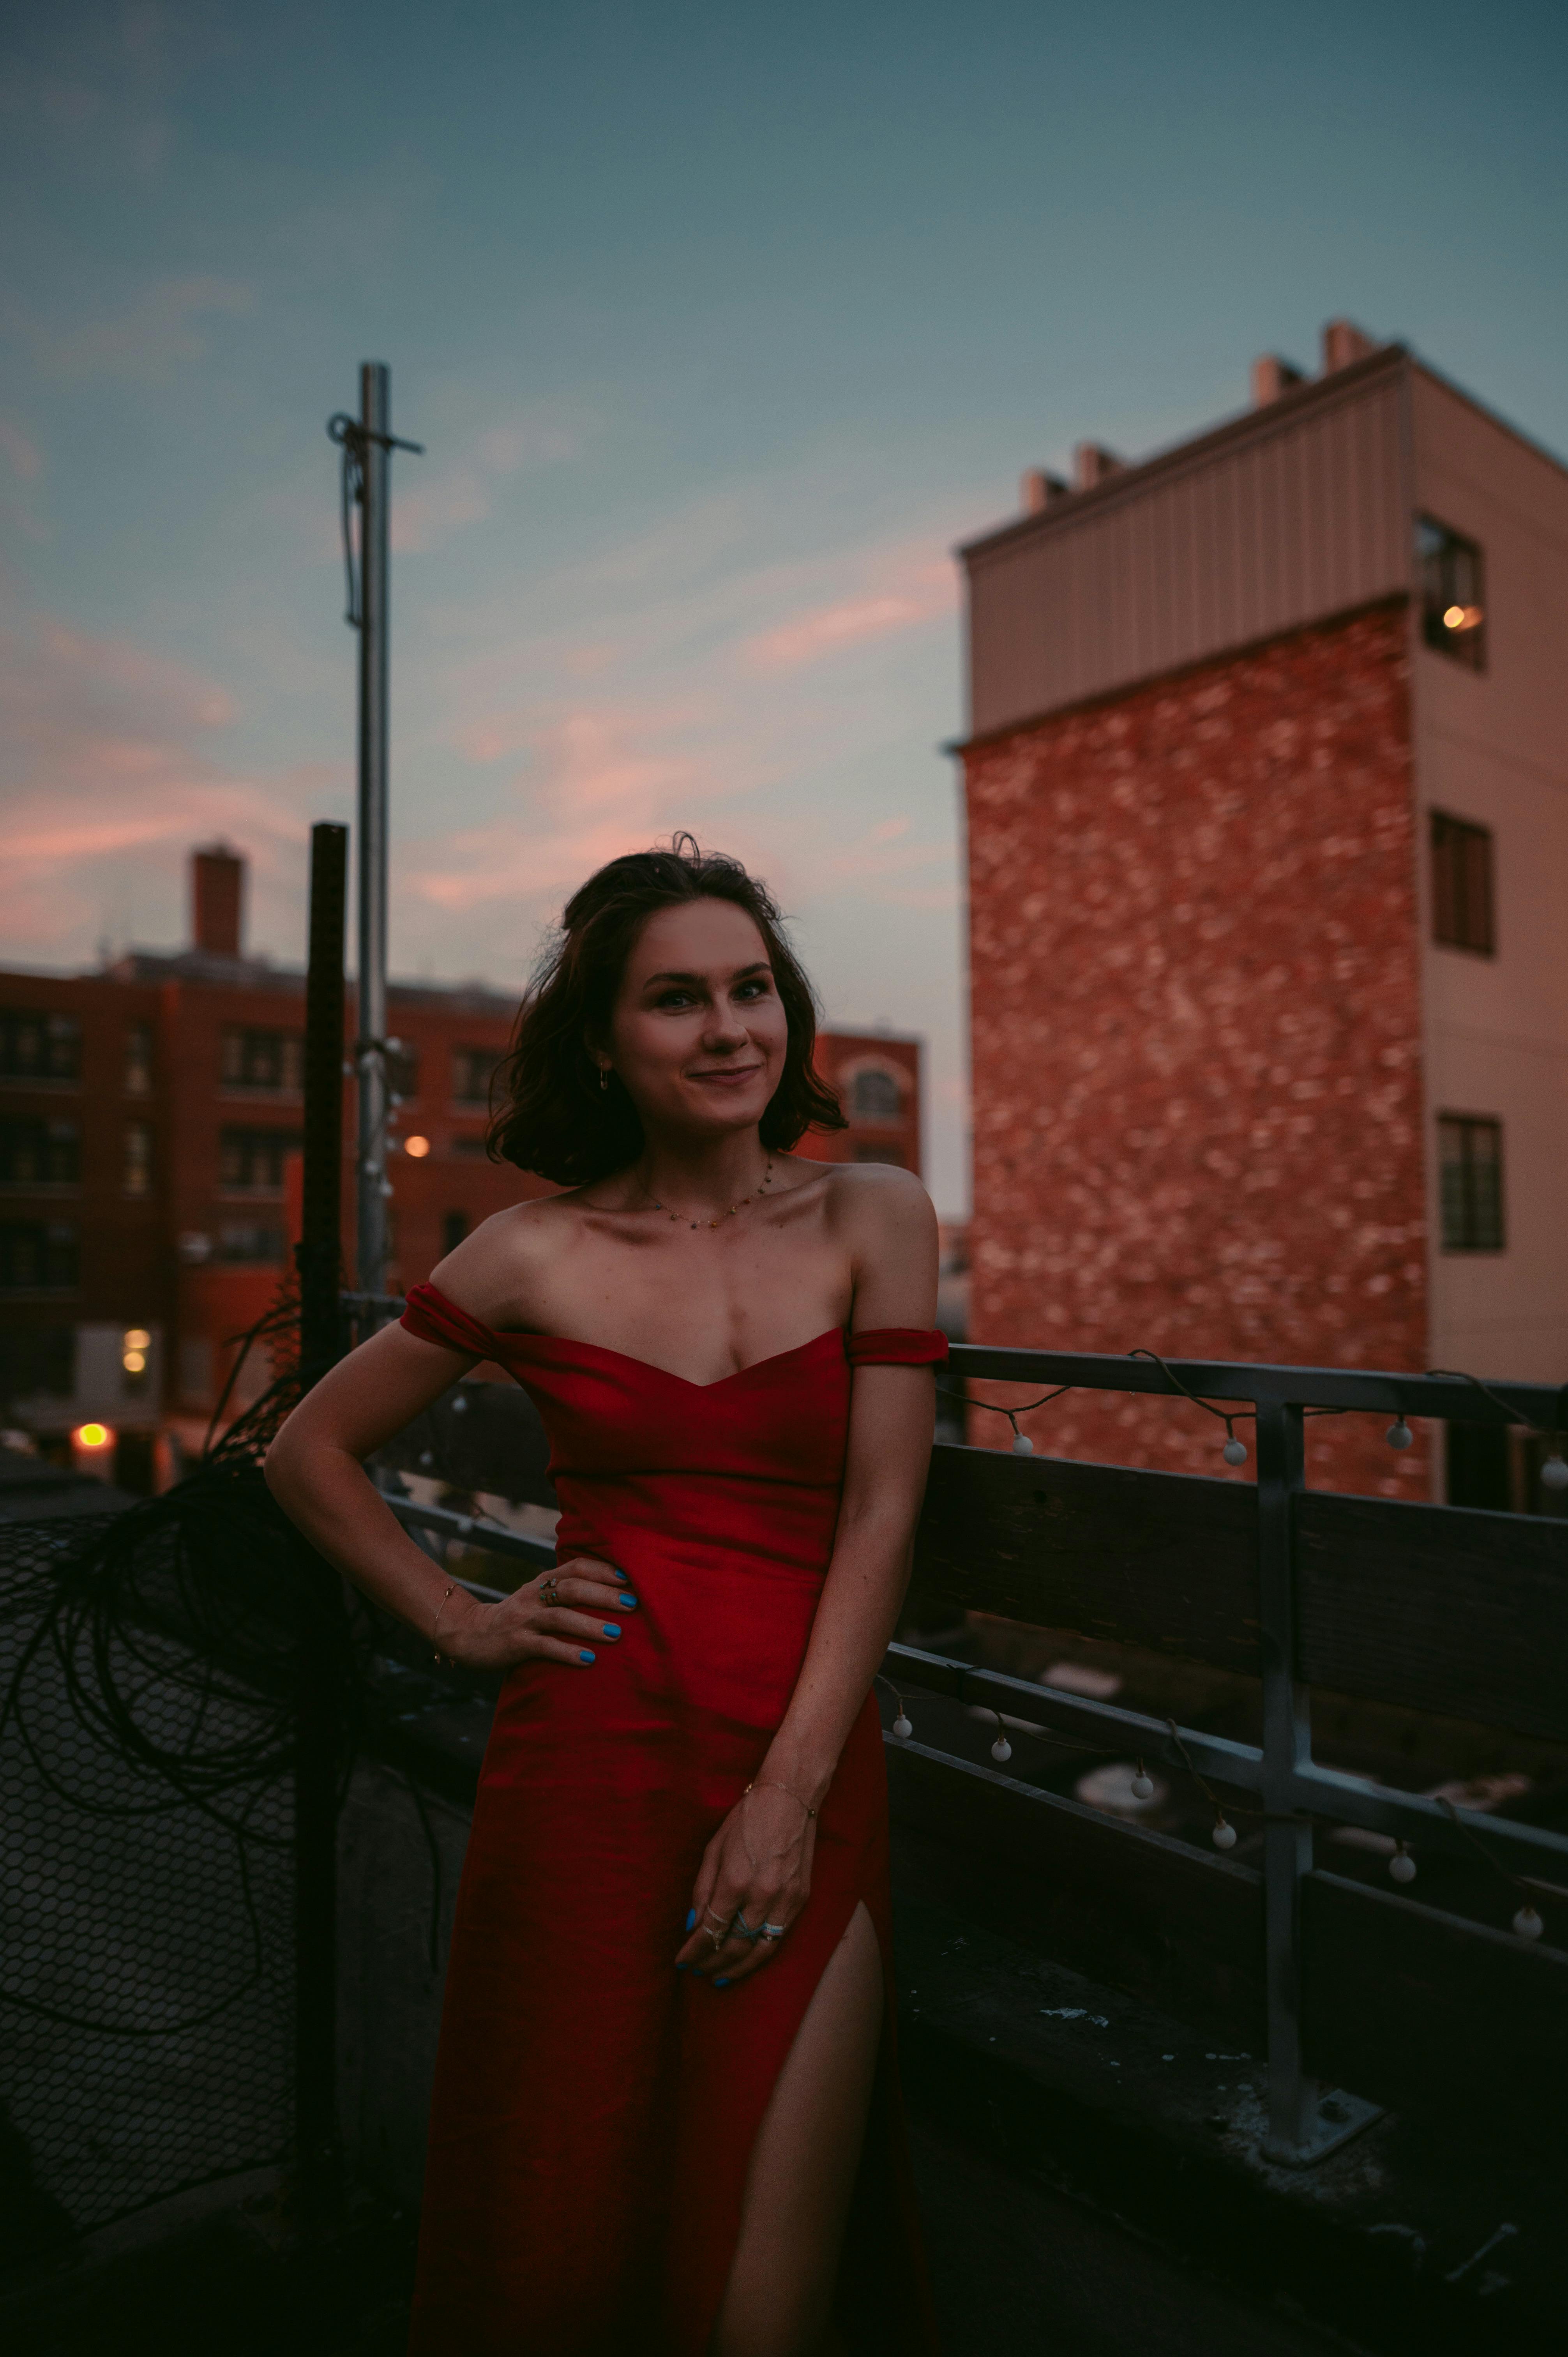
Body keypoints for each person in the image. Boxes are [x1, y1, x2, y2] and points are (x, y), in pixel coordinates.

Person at [264, 836, 947, 2355]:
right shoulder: (528, 1251)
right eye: (677, 999)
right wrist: (453, 1617)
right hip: (586, 1775)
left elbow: (883, 1511)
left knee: (760, 2301)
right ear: (602, 1041)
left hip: (802, 1759)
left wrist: (788, 1791)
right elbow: (306, 1451)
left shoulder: (874, 1217)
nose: (729, 1031)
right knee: (562, 2229)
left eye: (753, 989)